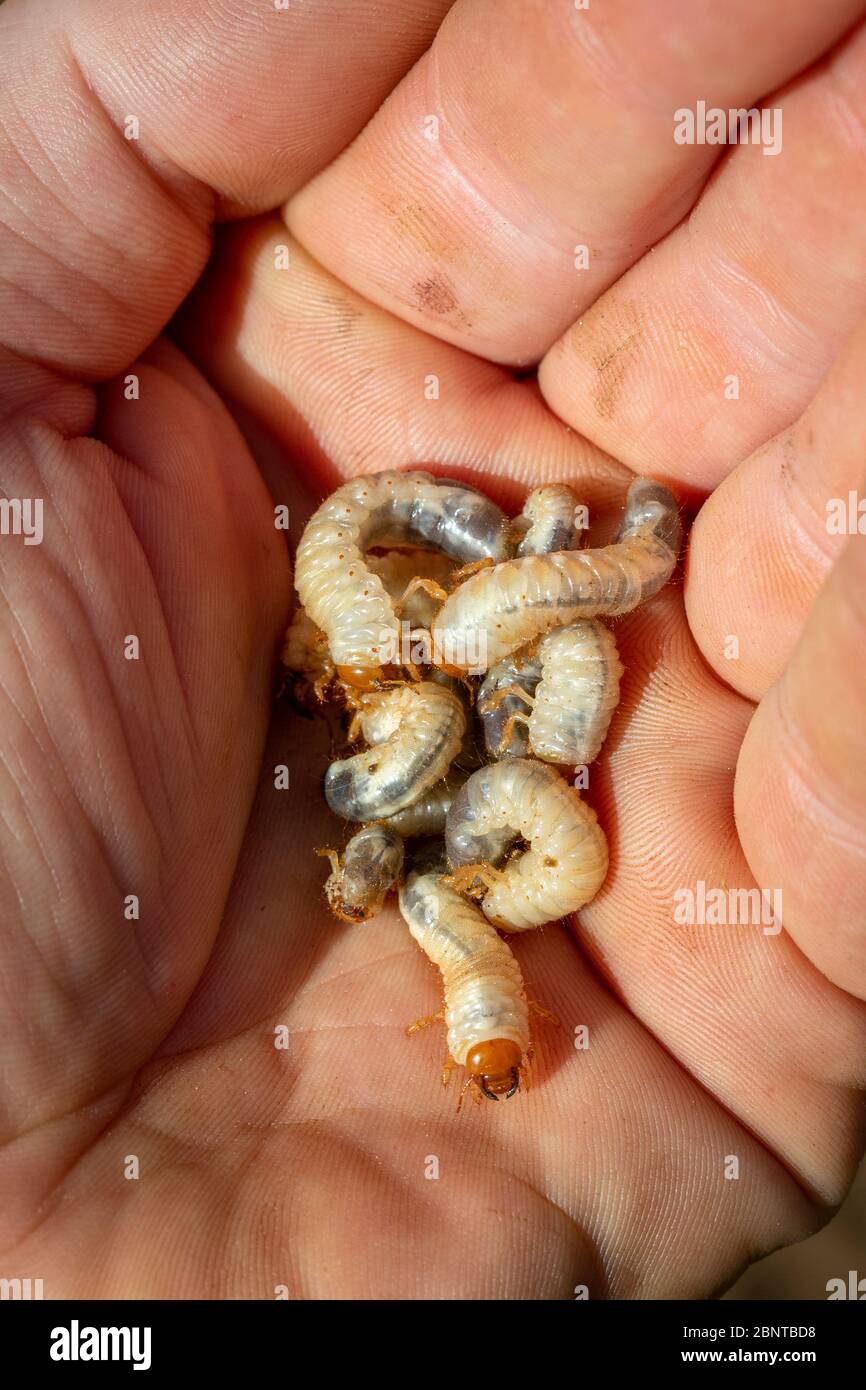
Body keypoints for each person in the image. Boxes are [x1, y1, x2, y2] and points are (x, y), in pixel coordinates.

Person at [0, 0, 864, 1299]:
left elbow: (411, 620)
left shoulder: (424, 664)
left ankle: (592, 553)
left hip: (483, 685)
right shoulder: (449, 763)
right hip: (488, 716)